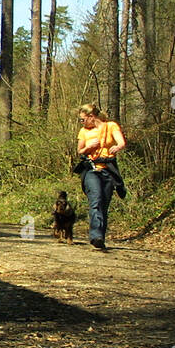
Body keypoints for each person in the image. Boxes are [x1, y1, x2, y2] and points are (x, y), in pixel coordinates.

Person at [75, 103, 127, 251]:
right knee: (96, 199)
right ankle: (96, 236)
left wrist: (118, 147)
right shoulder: (84, 132)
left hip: (109, 169)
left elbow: (121, 141)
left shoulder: (111, 126)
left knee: (104, 203)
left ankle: (100, 238)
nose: (82, 122)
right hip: (92, 169)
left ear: (92, 117)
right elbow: (80, 151)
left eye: (83, 119)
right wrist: (89, 146)